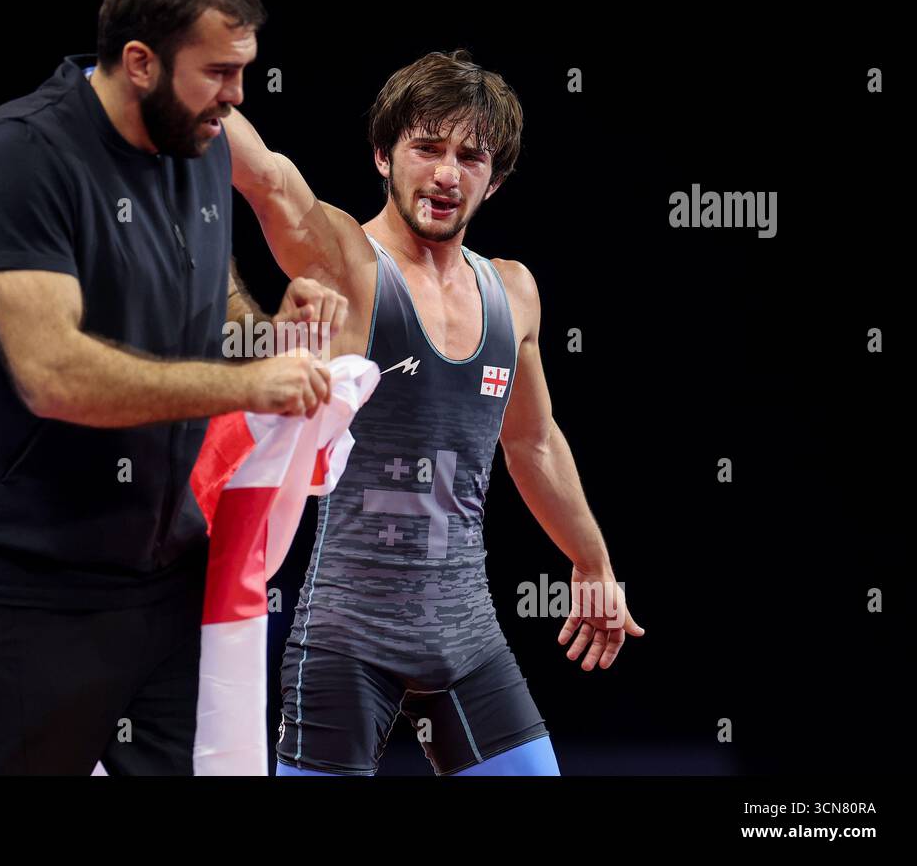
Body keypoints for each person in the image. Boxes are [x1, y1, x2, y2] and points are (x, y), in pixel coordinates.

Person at [0, 0, 342, 775]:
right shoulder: (20, 157)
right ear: (140, 62)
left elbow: (210, 295)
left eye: (244, 70)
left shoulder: (201, 143)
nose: (237, 96)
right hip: (16, 592)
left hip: (160, 578)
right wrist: (247, 385)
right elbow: (53, 373)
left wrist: (266, 333)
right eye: (217, 71)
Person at [225, 49, 644, 776]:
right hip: (346, 637)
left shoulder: (511, 291)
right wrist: (162, 71)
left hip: (466, 635)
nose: (448, 173)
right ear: (383, 155)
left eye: (471, 156)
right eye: (427, 147)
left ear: (496, 178)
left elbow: (534, 443)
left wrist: (592, 561)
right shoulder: (348, 262)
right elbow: (265, 177)